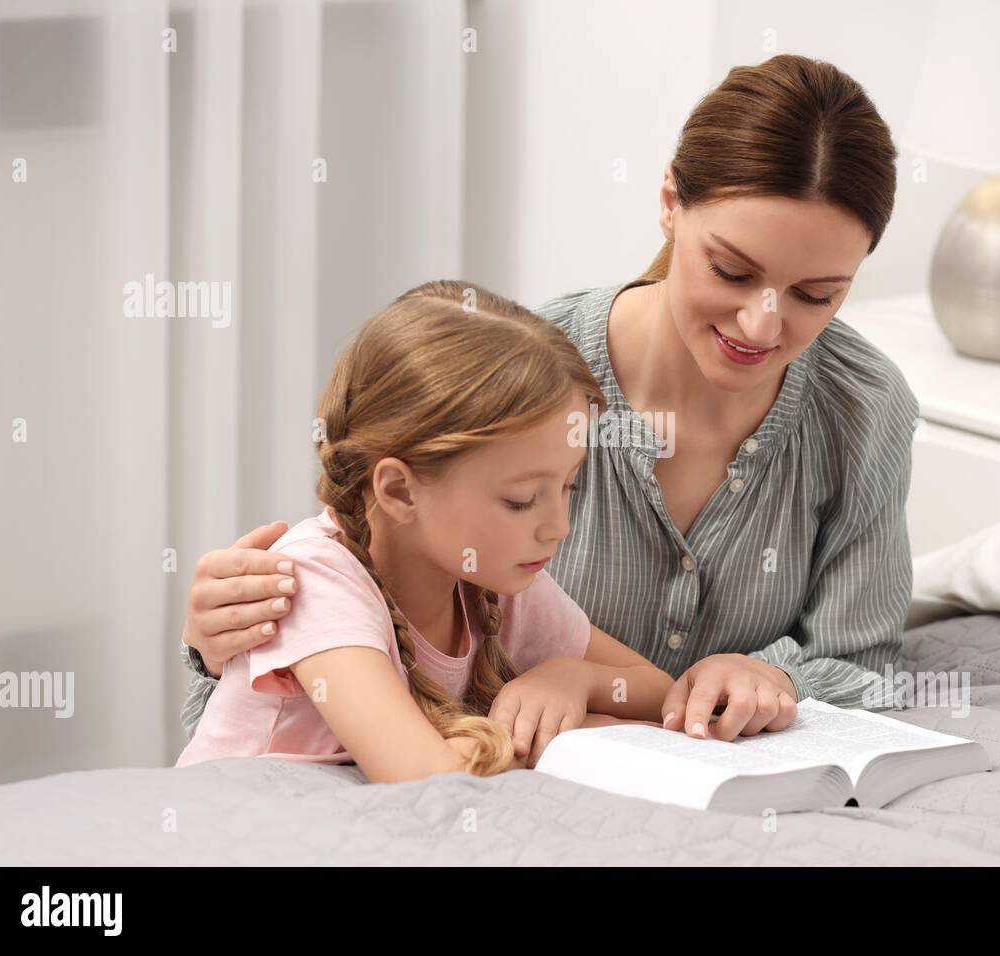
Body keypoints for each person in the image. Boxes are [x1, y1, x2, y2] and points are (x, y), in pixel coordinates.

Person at [179, 53, 919, 755]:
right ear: (669, 205)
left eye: (815, 294)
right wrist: (220, 644)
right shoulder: (529, 378)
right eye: (731, 271)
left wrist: (773, 678)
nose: (761, 324)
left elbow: (866, 664)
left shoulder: (865, 407)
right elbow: (367, 583)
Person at [177, 282, 672, 780]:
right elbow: (424, 776)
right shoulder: (315, 581)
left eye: (570, 486)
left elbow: (658, 690)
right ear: (399, 490)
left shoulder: (498, 583)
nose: (558, 526)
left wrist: (574, 680)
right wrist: (574, 732)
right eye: (520, 500)